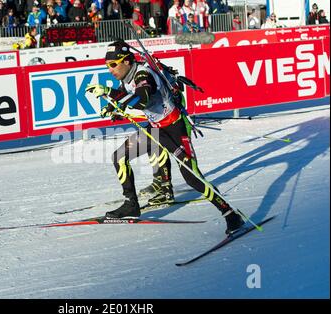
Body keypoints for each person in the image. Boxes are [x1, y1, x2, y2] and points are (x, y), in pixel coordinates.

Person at [85, 41, 244, 235]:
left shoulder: (143, 74)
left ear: (126, 61)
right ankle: (131, 205)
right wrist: (111, 107)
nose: (110, 69)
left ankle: (230, 214)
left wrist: (109, 92)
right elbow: (128, 94)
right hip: (156, 129)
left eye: (113, 64)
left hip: (175, 129)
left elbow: (141, 99)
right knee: (119, 157)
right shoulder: (126, 76)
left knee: (192, 178)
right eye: (107, 65)